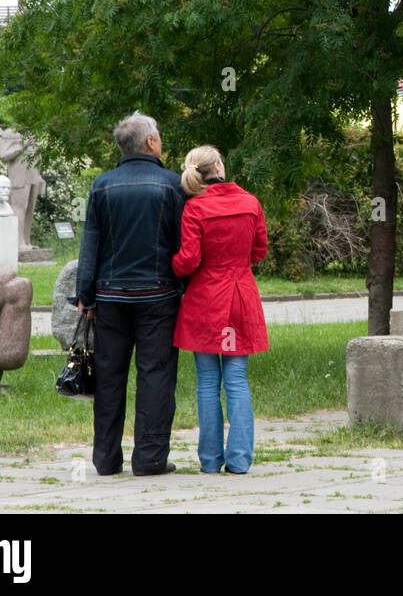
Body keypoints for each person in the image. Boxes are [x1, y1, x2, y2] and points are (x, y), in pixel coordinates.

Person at [75, 112, 186, 476]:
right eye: (160, 136)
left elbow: (90, 243)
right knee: (155, 375)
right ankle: (150, 459)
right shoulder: (173, 186)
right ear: (151, 142)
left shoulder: (102, 185)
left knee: (108, 376)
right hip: (159, 295)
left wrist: (85, 295)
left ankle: (106, 460)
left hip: (109, 298)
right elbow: (182, 246)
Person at [171, 145, 268, 474]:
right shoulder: (251, 203)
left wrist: (169, 265)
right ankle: (239, 460)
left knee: (207, 383)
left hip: (206, 300)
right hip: (241, 296)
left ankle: (211, 462)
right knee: (237, 380)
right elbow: (259, 251)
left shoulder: (195, 208)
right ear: (221, 166)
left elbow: (188, 261)